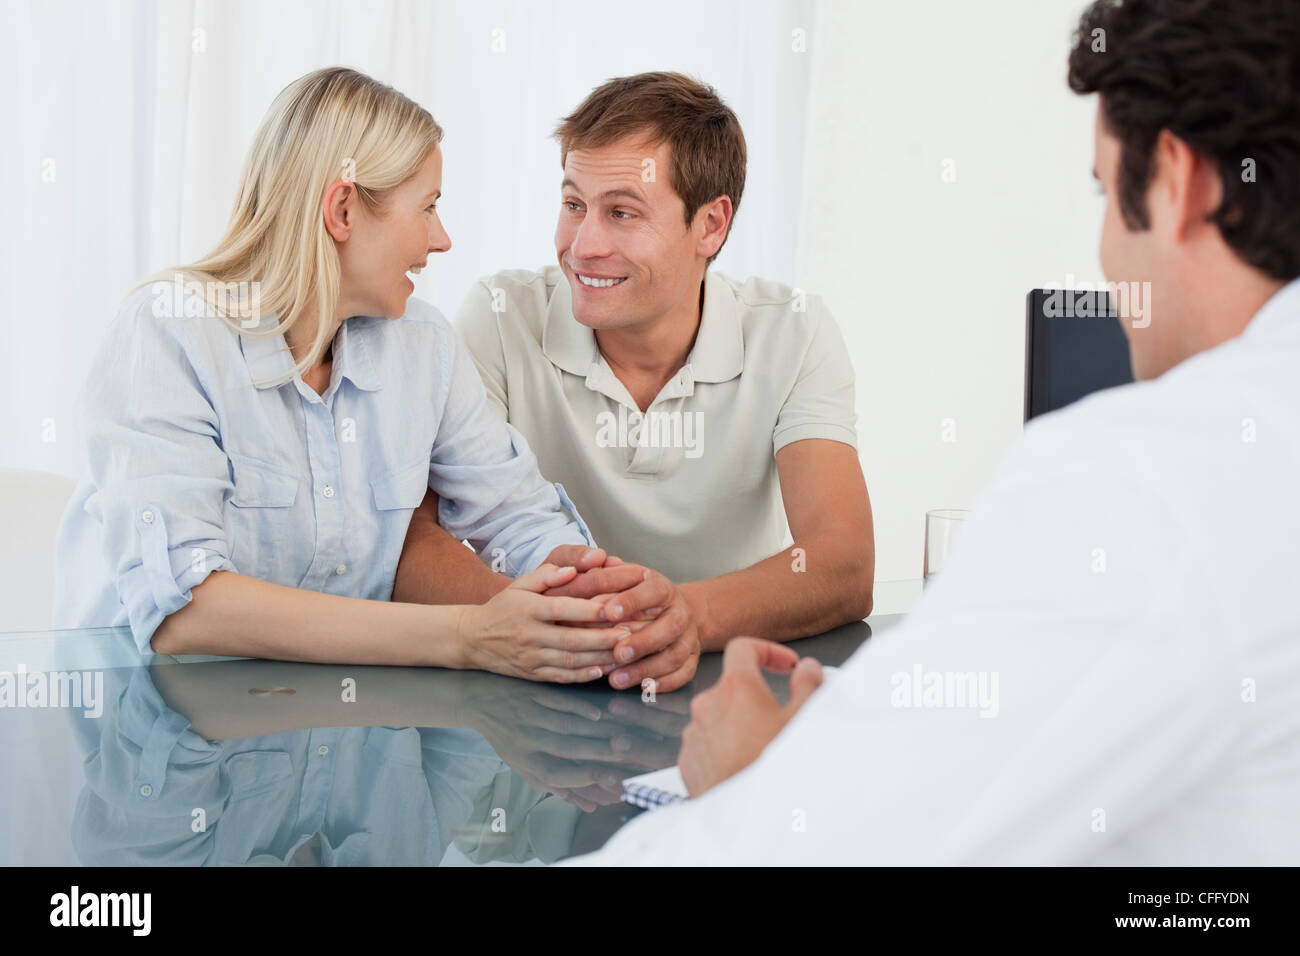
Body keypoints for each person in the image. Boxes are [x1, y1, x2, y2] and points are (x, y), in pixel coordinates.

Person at [568, 0, 1300, 864]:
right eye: (575, 205)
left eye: (1106, 190)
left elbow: (826, 842)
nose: (584, 243)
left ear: (1175, 184)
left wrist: (760, 782)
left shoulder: (1148, 479)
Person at [52, 66, 644, 683]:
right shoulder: (168, 334)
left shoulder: (424, 346)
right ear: (343, 209)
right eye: (429, 207)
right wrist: (469, 635)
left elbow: (513, 514)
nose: (441, 240)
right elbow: (185, 610)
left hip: (344, 739)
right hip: (163, 742)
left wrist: (598, 599)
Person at [395, 72, 875, 695]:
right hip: (540, 690)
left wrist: (684, 618)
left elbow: (843, 562)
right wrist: (548, 629)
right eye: (574, 206)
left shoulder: (793, 332)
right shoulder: (499, 316)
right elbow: (412, 543)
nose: (583, 246)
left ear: (711, 226)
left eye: (622, 212)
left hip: (721, 690)